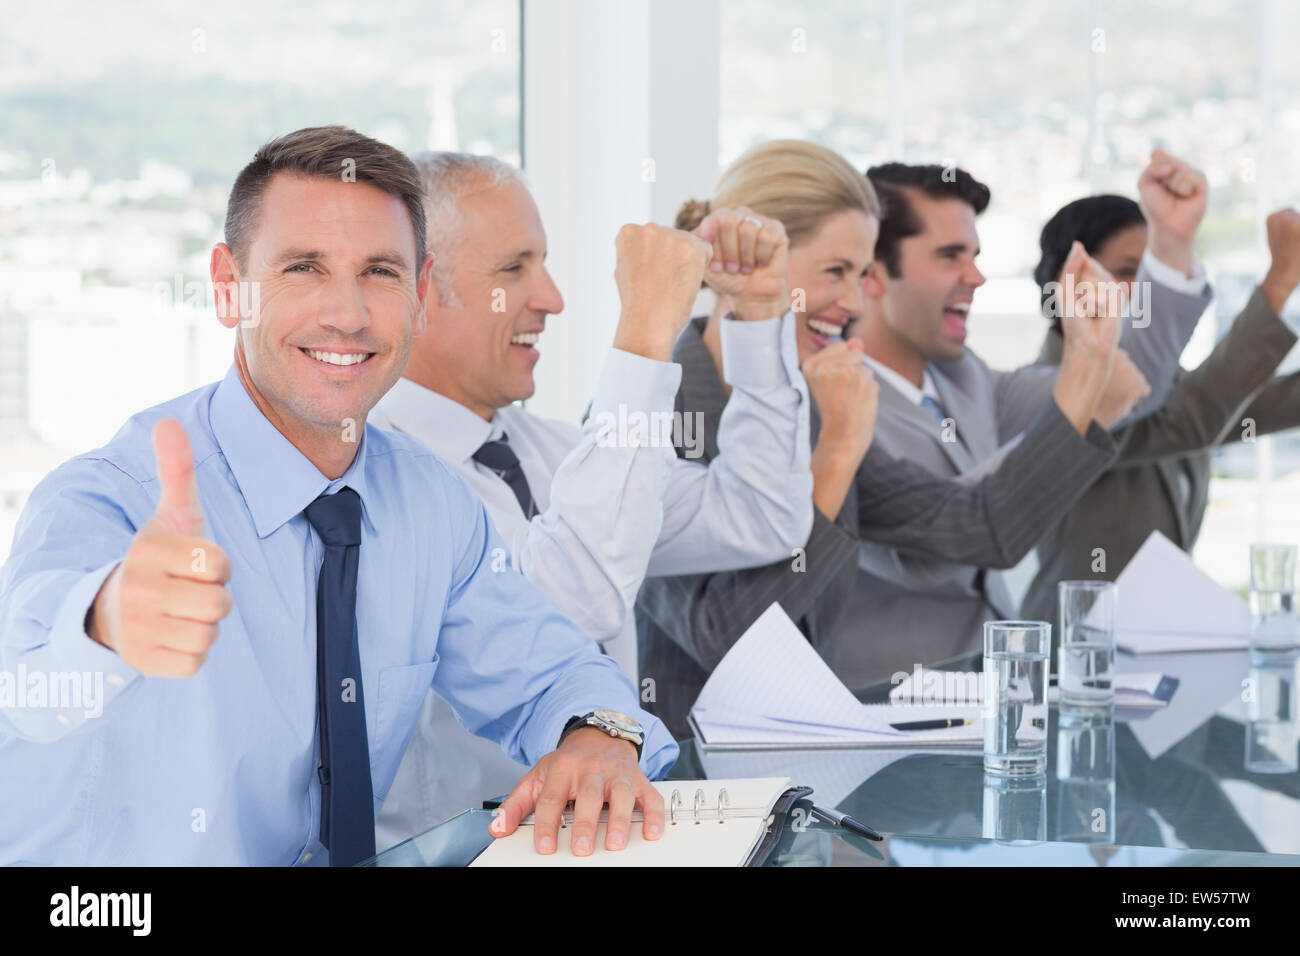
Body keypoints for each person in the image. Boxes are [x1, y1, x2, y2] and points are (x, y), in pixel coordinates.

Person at [0, 126, 677, 865]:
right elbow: (28, 686)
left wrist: (600, 735)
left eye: (380, 272)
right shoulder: (109, 496)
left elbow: (551, 668)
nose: (347, 314)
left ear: (419, 297)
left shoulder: (429, 504)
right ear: (229, 288)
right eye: (303, 268)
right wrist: (107, 622)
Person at [368, 152, 810, 846]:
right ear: (422, 291)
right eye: (513, 269)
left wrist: (756, 318)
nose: (550, 297)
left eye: (541, 263)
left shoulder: (551, 450)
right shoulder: (379, 478)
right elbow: (567, 611)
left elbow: (762, 515)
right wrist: (643, 336)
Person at [635, 140, 1141, 738]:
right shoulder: (653, 407)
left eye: (861, 274)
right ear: (749, 263)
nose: (851, 304)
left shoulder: (813, 410)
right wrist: (838, 455)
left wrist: (1087, 359)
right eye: (834, 272)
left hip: (810, 781)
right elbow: (728, 635)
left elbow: (980, 526)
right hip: (692, 798)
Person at [1020, 197, 1300, 622]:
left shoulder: (1164, 385)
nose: (1147, 292)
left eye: (1154, 274)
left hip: (1161, 644)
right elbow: (1195, 416)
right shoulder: (1053, 394)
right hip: (1074, 654)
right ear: (1067, 281)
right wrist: (1280, 281)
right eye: (1128, 271)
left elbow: (1240, 406)